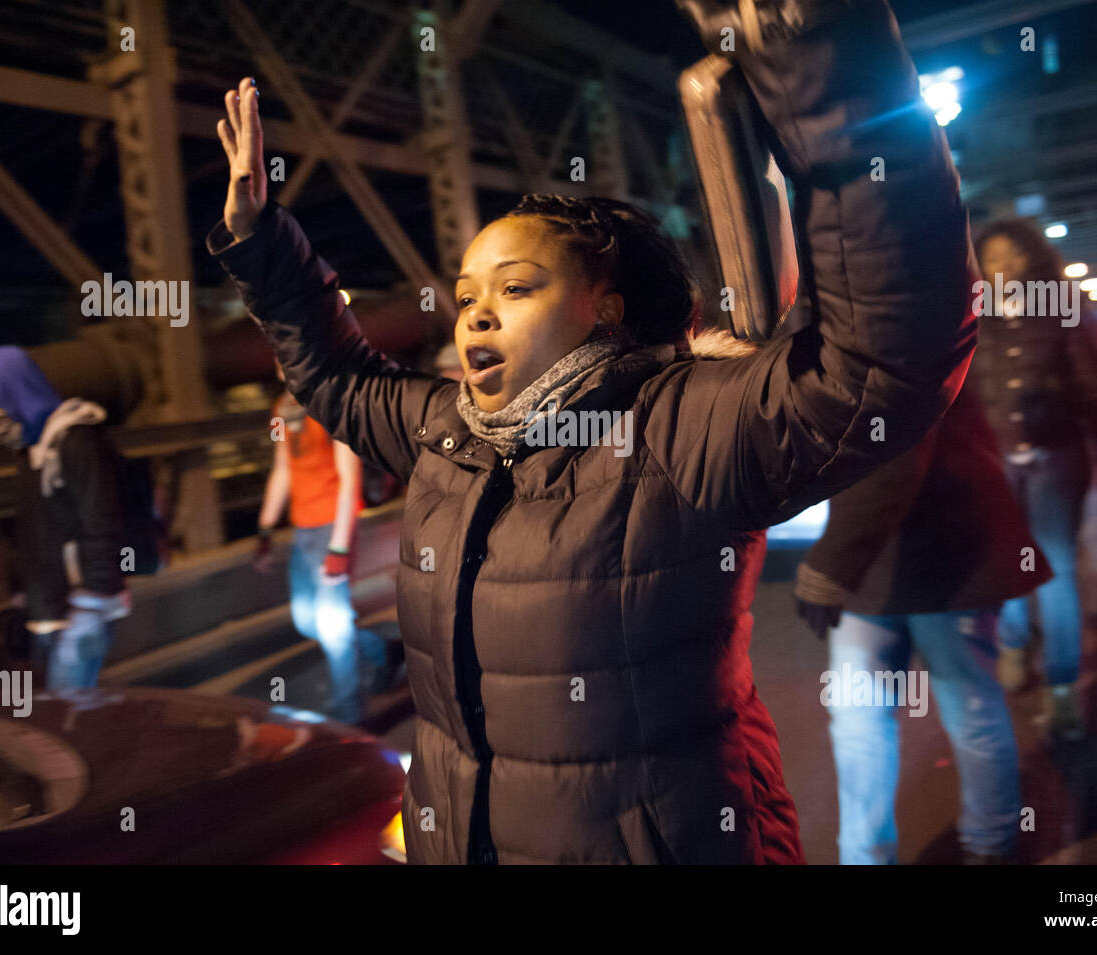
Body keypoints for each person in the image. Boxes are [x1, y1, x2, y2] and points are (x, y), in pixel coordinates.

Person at [207, 0, 977, 864]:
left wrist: (819, 65)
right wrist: (262, 243)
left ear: (604, 309)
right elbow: (337, 376)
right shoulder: (448, 434)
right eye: (466, 298)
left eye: (517, 287)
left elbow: (885, 353)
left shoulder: (680, 424)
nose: (477, 316)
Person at [793, 375, 1052, 864]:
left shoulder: (892, 327)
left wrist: (831, 563)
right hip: (875, 561)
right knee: (884, 719)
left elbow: (893, 457)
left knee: (947, 711)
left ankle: (987, 843)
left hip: (943, 557)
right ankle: (963, 846)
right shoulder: (867, 325)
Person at [972, 219, 1097, 740]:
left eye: (1013, 257)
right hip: (995, 460)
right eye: (993, 258)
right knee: (1010, 562)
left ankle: (1062, 688)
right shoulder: (970, 315)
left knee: (1057, 568)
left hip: (1057, 457)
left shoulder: (1060, 307)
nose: (1004, 268)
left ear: (1033, 261)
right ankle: (1016, 639)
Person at [0, 346, 131, 690]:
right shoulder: (31, 448)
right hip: (49, 609)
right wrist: (30, 592)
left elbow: (102, 521)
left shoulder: (78, 440)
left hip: (81, 608)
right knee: (66, 711)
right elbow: (44, 528)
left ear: (17, 394)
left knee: (70, 714)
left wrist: (91, 604)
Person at [255, 362, 388, 725]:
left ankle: (351, 719)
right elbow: (282, 469)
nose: (281, 362)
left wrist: (340, 547)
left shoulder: (332, 405)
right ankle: (375, 650)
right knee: (307, 621)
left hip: (333, 525)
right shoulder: (281, 411)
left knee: (332, 629)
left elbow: (350, 478)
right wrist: (265, 529)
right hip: (303, 529)